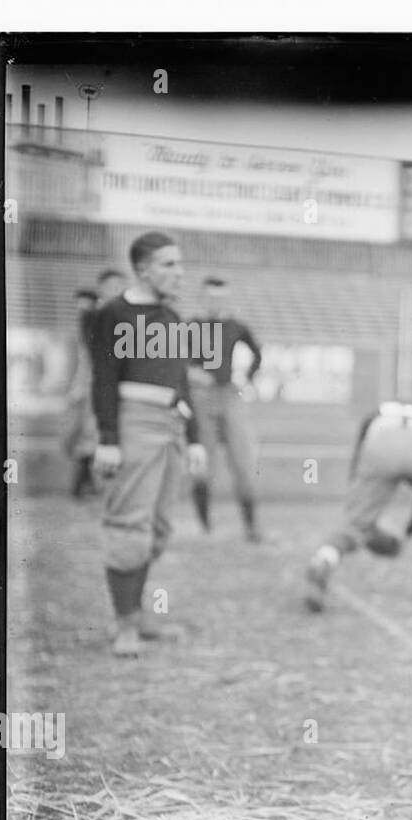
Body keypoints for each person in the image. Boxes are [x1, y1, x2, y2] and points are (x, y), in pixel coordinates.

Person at [89, 232, 207, 657]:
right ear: (142, 268)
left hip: (171, 426)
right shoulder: (113, 313)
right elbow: (103, 378)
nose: (179, 272)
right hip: (133, 422)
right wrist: (108, 439)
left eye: (180, 264)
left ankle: (136, 616)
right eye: (169, 264)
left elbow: (181, 383)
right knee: (129, 524)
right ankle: (124, 627)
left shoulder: (173, 319)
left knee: (157, 528)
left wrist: (193, 439)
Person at [304, 400, 412, 610]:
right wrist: (408, 531)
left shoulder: (376, 415)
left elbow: (358, 461)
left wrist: (357, 504)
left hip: (383, 444)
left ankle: (326, 559)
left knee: (355, 525)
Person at [187, 276, 264, 542]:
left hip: (230, 397)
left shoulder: (235, 326)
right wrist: (193, 374)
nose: (216, 302)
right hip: (202, 399)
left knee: (244, 463)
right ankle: (204, 526)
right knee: (202, 464)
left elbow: (257, 353)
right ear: (202, 297)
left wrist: (245, 379)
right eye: (211, 297)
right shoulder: (190, 327)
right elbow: (177, 362)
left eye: (221, 297)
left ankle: (251, 525)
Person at [62, 288, 101, 499]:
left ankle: (81, 487)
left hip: (88, 390)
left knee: (86, 437)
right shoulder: (79, 329)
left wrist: (81, 388)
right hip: (79, 390)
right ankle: (86, 485)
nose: (81, 308)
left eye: (85, 304)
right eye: (79, 304)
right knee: (76, 438)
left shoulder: (92, 327)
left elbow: (90, 364)